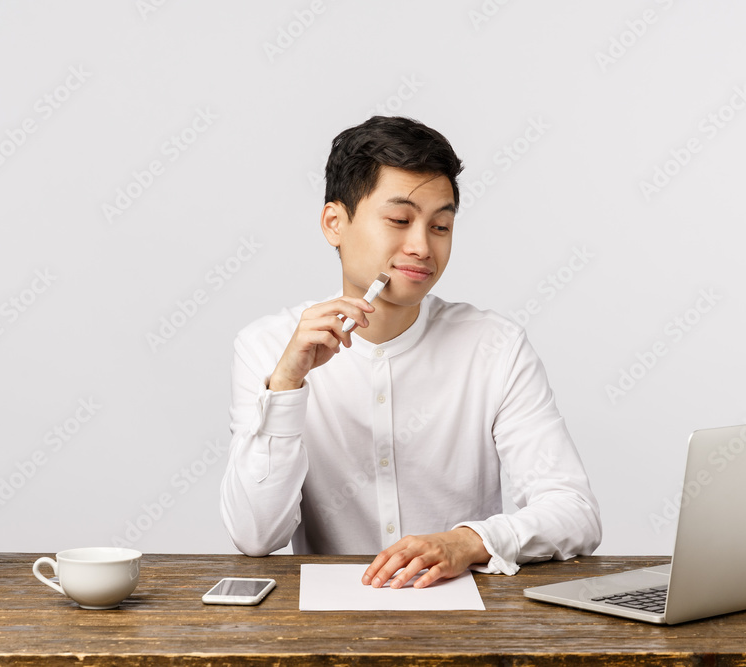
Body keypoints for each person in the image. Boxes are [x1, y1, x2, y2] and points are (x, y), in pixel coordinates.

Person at [220, 115, 601, 590]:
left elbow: (574, 511)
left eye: (440, 226)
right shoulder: (267, 347)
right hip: (328, 632)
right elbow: (255, 536)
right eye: (399, 221)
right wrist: (286, 388)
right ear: (335, 223)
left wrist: (469, 541)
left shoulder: (495, 347)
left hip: (467, 625)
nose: (421, 246)